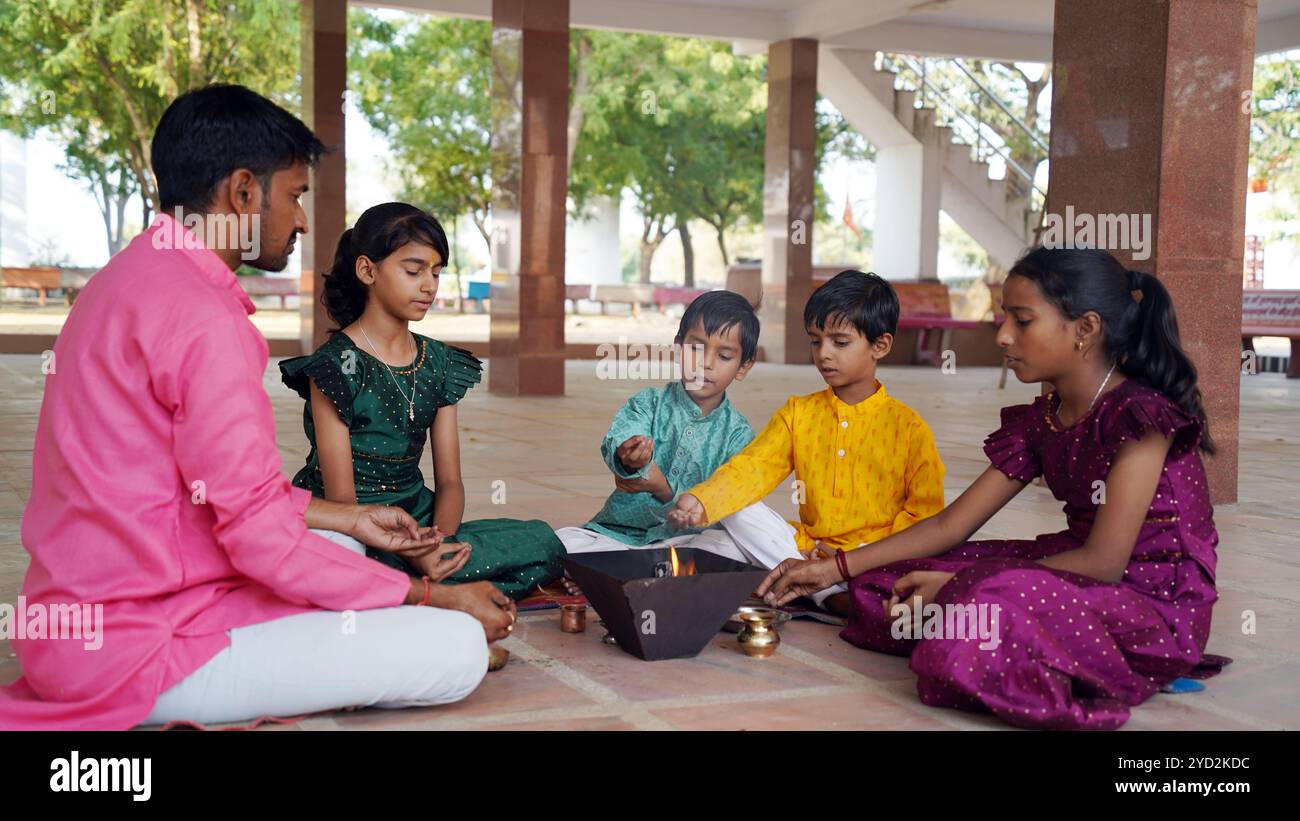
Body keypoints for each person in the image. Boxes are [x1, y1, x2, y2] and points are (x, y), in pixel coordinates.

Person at [0, 85, 512, 731]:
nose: (301, 220)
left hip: (83, 615)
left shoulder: (125, 279)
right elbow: (257, 539)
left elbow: (229, 495)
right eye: (295, 195)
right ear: (244, 192)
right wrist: (434, 597)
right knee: (456, 649)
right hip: (141, 649)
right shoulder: (203, 319)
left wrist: (350, 519)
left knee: (346, 554)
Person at [757, 247, 1227, 730]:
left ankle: (1104, 658)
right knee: (889, 577)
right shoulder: (1044, 418)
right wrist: (833, 568)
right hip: (1071, 568)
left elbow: (1105, 562)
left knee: (971, 611)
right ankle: (1000, 631)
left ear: (1085, 329)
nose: (1003, 335)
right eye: (1005, 318)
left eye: (1022, 321)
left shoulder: (1139, 414)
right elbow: (949, 525)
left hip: (1149, 599)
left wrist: (963, 586)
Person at [279, 202, 565, 600]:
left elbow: (450, 482)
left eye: (435, 272)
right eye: (413, 271)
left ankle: (421, 590)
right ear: (367, 271)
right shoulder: (335, 367)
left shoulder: (441, 363)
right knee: (343, 559)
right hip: (349, 524)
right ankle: (434, 591)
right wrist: (412, 553)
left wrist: (438, 546)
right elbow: (345, 503)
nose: (429, 285)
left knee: (543, 541)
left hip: (419, 518)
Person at [668, 271, 946, 612]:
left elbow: (924, 518)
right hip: (802, 550)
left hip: (875, 562)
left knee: (721, 547)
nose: (824, 354)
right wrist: (702, 499)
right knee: (729, 521)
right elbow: (753, 469)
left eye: (839, 342)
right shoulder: (799, 413)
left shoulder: (909, 429)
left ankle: (825, 592)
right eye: (816, 341)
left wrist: (850, 558)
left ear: (880, 345)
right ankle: (823, 594)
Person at [556, 291, 765, 560]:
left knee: (730, 546)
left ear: (743, 366)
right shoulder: (649, 403)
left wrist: (664, 489)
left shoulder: (738, 435)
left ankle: (616, 572)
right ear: (678, 348)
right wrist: (628, 456)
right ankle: (634, 569)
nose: (706, 363)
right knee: (565, 541)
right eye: (696, 349)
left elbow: (729, 497)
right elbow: (620, 436)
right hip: (620, 536)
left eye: (724, 356)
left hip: (688, 541)